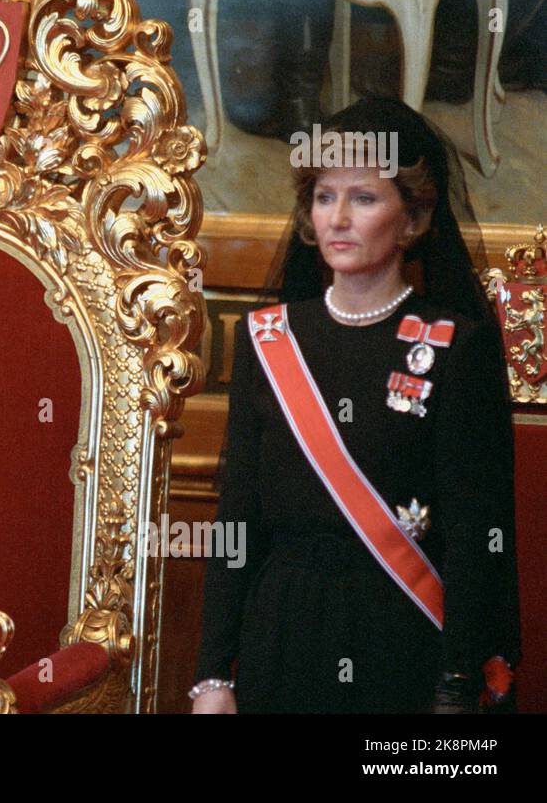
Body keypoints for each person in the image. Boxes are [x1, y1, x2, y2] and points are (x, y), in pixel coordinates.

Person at [192, 97, 520, 713]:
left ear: (413, 217)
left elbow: (478, 537)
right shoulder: (269, 339)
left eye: (364, 198)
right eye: (324, 196)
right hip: (280, 634)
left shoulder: (453, 347)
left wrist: (454, 687)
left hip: (401, 639)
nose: (338, 218)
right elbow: (237, 516)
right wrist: (212, 676)